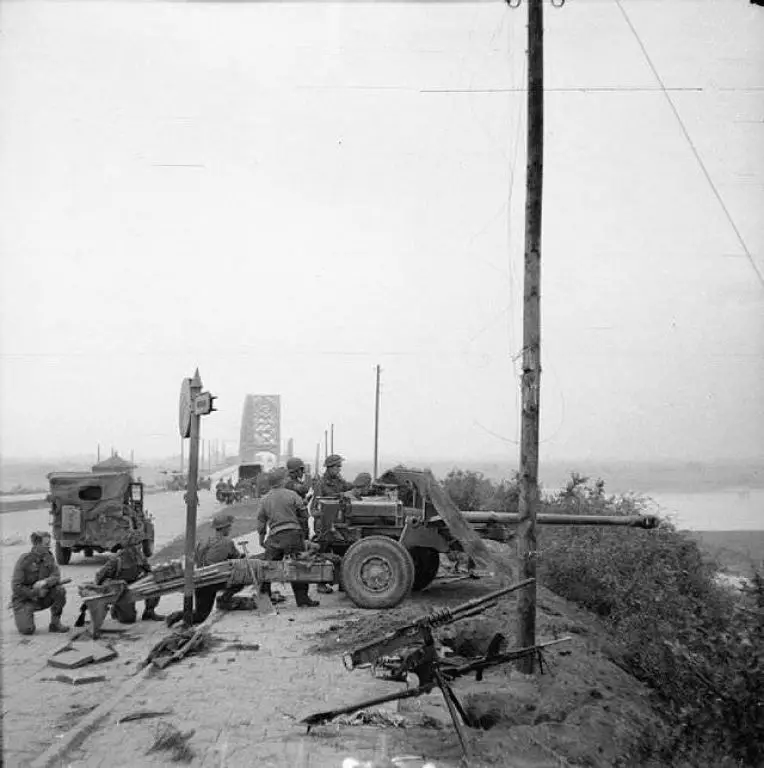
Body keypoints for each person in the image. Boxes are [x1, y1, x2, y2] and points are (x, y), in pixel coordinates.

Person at [257, 468, 319, 608]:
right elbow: (304, 515)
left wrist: (262, 539)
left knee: (268, 566)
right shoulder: (292, 495)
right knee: (300, 565)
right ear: (282, 481)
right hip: (294, 535)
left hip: (276, 537)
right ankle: (302, 599)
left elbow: (261, 522)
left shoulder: (264, 499)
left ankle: (265, 599)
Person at [93, 530, 164, 623]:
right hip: (120, 591)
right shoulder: (117, 560)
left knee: (155, 581)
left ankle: (149, 611)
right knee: (129, 619)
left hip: (134, 587)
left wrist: (157, 572)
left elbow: (149, 571)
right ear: (129, 546)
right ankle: (116, 609)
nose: (139, 547)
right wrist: (110, 589)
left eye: (140, 544)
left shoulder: (140, 557)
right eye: (136, 544)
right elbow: (99, 577)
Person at [11, 531, 69, 635]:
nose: (49, 547)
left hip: (43, 598)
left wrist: (45, 581)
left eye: (49, 544)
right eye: (46, 544)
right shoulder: (24, 560)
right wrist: (35, 593)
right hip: (25, 601)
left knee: (60, 590)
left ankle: (55, 624)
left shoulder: (49, 557)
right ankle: (24, 615)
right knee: (27, 630)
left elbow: (56, 575)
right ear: (37, 545)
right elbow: (16, 587)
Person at [313, 455, 354, 593]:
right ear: (329, 467)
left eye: (339, 467)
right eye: (337, 466)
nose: (339, 469)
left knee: (342, 552)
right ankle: (321, 583)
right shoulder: (321, 484)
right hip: (324, 525)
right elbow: (314, 508)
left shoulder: (339, 481)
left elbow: (351, 488)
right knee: (322, 554)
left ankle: (343, 582)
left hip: (338, 523)